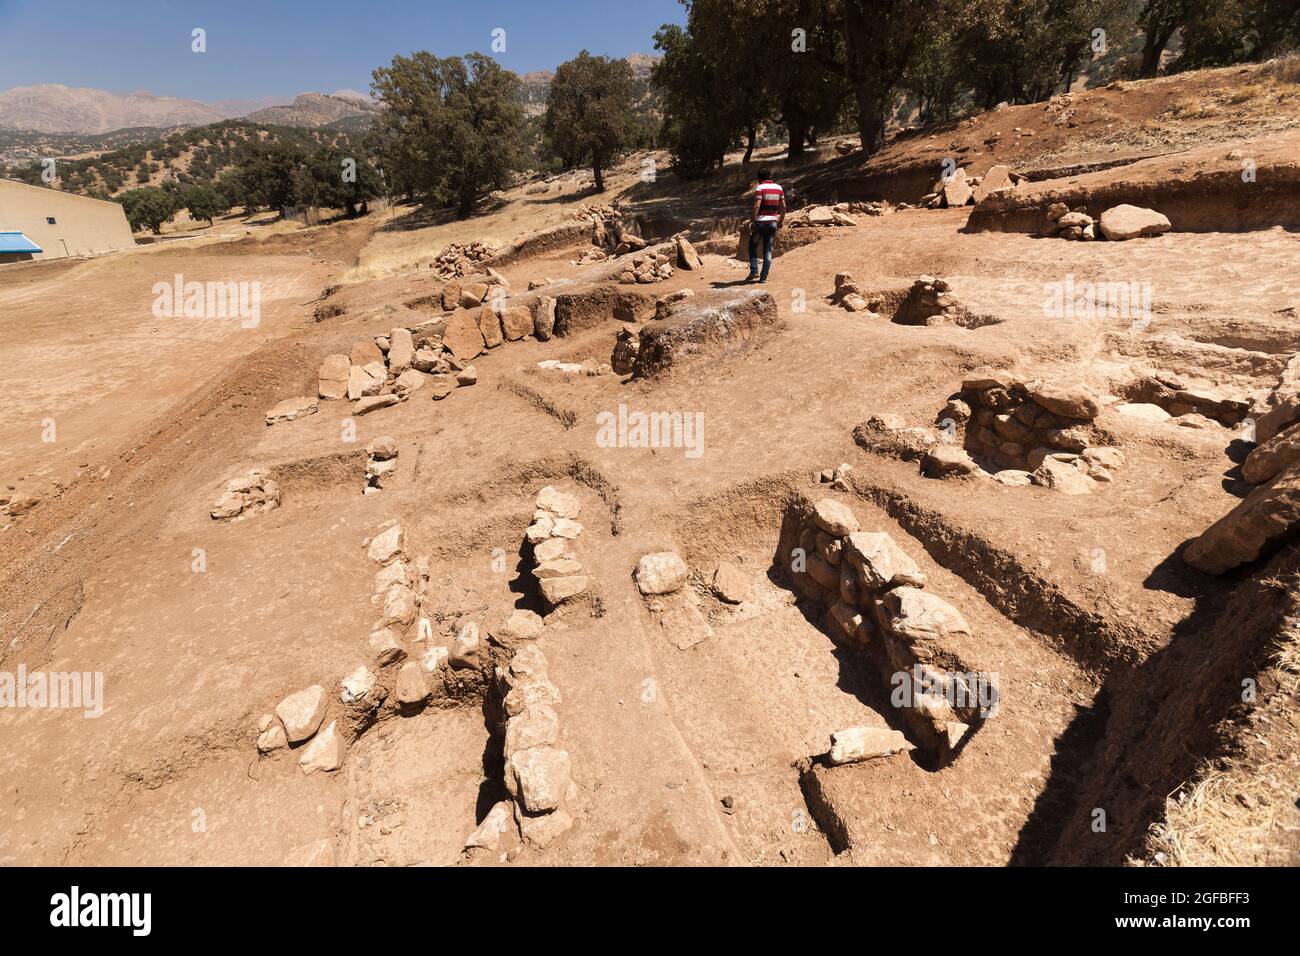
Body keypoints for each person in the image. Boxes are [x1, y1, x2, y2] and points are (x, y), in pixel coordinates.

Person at [747, 168, 785, 283]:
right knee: (767, 250)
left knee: (752, 246)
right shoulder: (779, 188)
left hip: (760, 223)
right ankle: (763, 277)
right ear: (770, 176)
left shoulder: (760, 188)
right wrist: (781, 221)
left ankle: (754, 271)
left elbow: (757, 206)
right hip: (773, 223)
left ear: (759, 178)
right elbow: (783, 207)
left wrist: (753, 220)